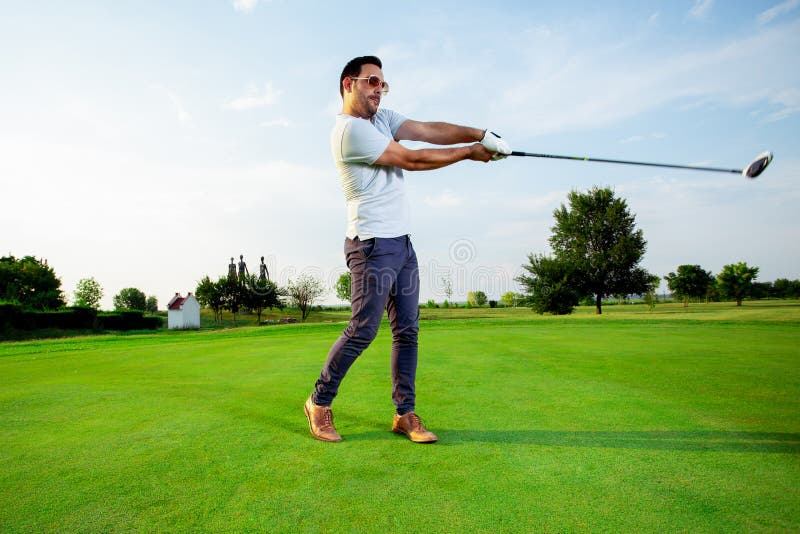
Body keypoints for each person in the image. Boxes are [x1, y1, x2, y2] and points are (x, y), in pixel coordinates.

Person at [304, 55, 511, 443]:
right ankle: (319, 403)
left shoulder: (381, 119)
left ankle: (404, 414)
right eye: (371, 82)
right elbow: (413, 159)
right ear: (349, 85)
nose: (378, 89)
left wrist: (482, 133)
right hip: (371, 246)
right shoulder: (350, 131)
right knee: (363, 329)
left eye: (382, 83)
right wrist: (470, 152)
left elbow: (428, 131)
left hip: (402, 243)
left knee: (408, 332)